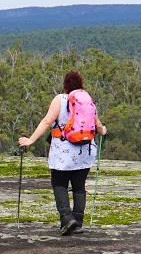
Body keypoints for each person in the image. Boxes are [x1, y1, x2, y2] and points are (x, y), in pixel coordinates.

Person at [19, 71, 106, 235]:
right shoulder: (86, 101)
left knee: (59, 183)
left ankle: (67, 218)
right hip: (85, 152)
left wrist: (30, 140)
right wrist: (103, 130)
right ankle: (78, 222)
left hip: (63, 151)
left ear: (65, 84)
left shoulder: (60, 99)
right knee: (79, 185)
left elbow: (47, 121)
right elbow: (98, 126)